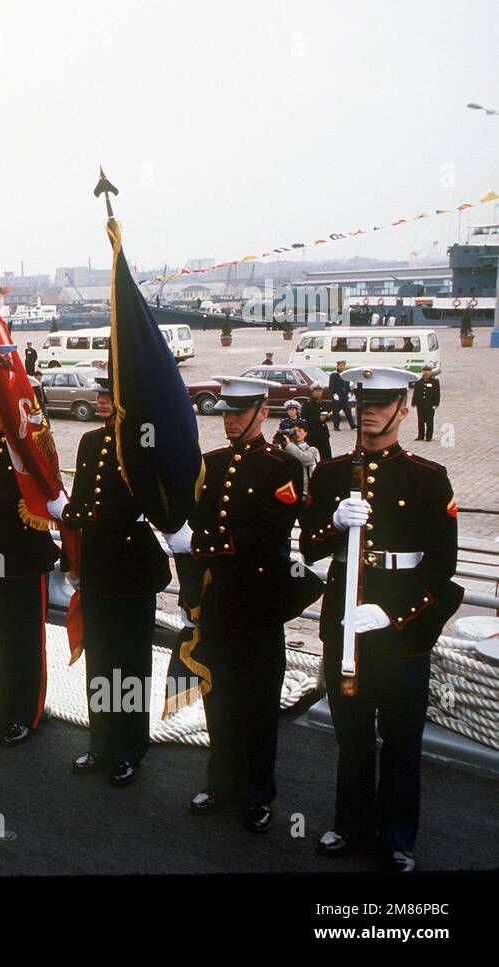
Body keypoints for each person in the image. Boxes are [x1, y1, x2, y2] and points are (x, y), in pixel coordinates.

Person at [300, 367, 463, 872]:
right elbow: (309, 547)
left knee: (400, 738)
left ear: (403, 410)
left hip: (401, 630)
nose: (369, 410)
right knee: (351, 736)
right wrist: (332, 523)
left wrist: (393, 612)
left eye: (382, 402)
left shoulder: (427, 477)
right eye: (363, 401)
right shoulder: (330, 474)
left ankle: (396, 836)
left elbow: (442, 563)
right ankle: (349, 824)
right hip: (346, 624)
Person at [164, 376, 311, 833]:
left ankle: (257, 793)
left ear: (262, 413)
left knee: (259, 702)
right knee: (220, 696)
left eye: (240, 412)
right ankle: (221, 781)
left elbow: (270, 533)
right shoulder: (211, 464)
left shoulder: (282, 467)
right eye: (227, 412)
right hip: (219, 599)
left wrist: (206, 543)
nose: (230, 420)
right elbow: (195, 519)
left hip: (260, 601)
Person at [61, 374, 170, 782]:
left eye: (109, 395)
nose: (101, 400)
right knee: (101, 661)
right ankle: (101, 742)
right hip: (97, 564)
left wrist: (86, 514)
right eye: (100, 394)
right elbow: (80, 497)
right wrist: (71, 556)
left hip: (132, 567)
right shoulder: (90, 442)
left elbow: (142, 500)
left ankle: (129, 747)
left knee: (131, 663)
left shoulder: (142, 441)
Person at [0, 422, 60, 746]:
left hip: (24, 558)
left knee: (26, 642)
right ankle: (5, 707)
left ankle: (28, 713)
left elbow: (36, 496)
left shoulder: (35, 440)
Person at [282, 420, 319, 497]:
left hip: (304, 490)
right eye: (294, 431)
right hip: (288, 488)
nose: (297, 434)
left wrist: (288, 445)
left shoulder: (312, 449)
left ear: (305, 433)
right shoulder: (287, 448)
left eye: (299, 431)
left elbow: (305, 459)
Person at [410, 366, 440, 442]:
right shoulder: (419, 381)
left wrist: (436, 404)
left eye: (428, 371)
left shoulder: (434, 381)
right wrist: (414, 402)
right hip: (420, 404)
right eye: (424, 371)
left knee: (429, 420)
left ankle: (429, 436)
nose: (426, 373)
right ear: (422, 372)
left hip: (430, 404)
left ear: (430, 372)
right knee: (421, 420)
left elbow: (437, 393)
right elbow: (416, 392)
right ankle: (420, 435)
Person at [300, 393, 332, 461]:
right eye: (316, 391)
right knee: (308, 456)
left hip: (323, 434)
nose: (318, 393)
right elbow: (304, 417)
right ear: (313, 392)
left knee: (327, 456)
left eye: (320, 391)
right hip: (311, 433)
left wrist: (328, 416)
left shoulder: (323, 403)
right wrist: (318, 418)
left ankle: (325, 467)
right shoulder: (307, 403)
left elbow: (325, 417)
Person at [328, 361, 355, 431]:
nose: (342, 367)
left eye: (343, 366)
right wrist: (334, 394)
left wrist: (348, 392)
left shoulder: (345, 374)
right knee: (336, 412)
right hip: (337, 396)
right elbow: (331, 385)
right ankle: (336, 426)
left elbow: (347, 384)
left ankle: (352, 425)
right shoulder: (334, 375)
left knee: (348, 411)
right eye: (340, 366)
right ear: (337, 366)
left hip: (344, 395)